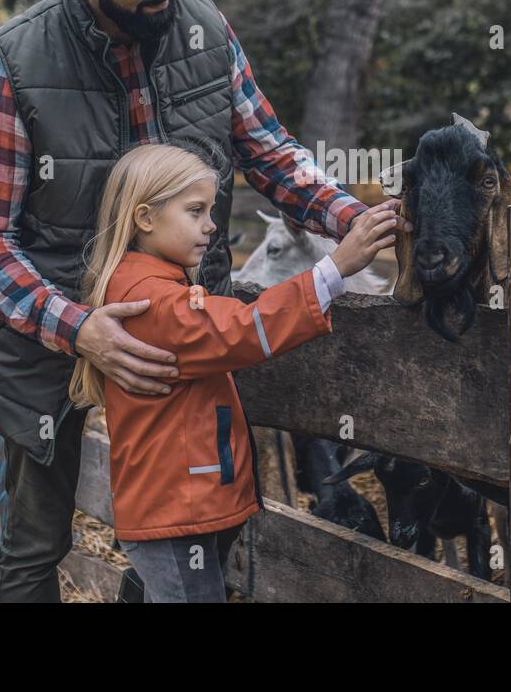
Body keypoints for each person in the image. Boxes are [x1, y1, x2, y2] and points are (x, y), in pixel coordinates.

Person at [0, 0, 409, 601]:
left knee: (186, 525)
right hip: (45, 343)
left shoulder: (203, 27)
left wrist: (354, 218)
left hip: (179, 327)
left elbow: (271, 153)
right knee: (38, 543)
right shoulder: (18, 68)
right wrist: (80, 328)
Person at [69, 141, 397, 602]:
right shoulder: (152, 298)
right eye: (196, 211)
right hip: (175, 512)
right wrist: (334, 270)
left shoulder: (150, 282)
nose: (211, 225)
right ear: (145, 219)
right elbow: (241, 329)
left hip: (179, 507)